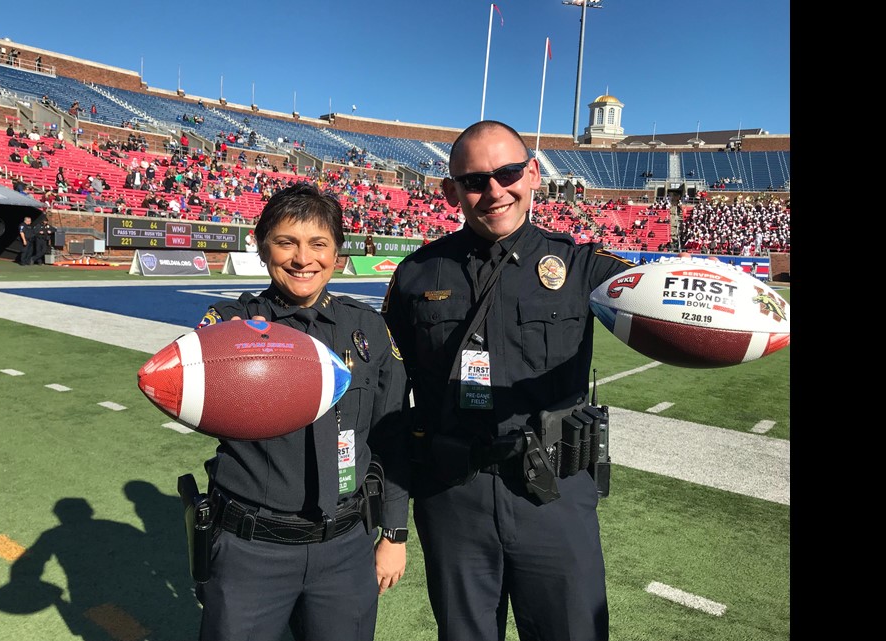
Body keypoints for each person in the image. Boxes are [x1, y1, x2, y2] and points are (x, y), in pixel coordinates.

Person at [381, 120, 636, 641]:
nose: (493, 191)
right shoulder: (416, 274)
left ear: (533, 174)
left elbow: (660, 301)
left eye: (508, 172)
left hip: (555, 491)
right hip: (452, 495)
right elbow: (386, 393)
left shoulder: (580, 264)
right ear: (451, 190)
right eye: (474, 180)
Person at [190, 183, 411, 641]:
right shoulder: (230, 326)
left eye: (318, 244)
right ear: (261, 245)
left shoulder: (366, 327)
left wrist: (393, 532)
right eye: (286, 242)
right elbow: (184, 375)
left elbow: (394, 436)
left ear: (338, 253)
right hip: (253, 550)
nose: (302, 258)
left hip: (346, 549)